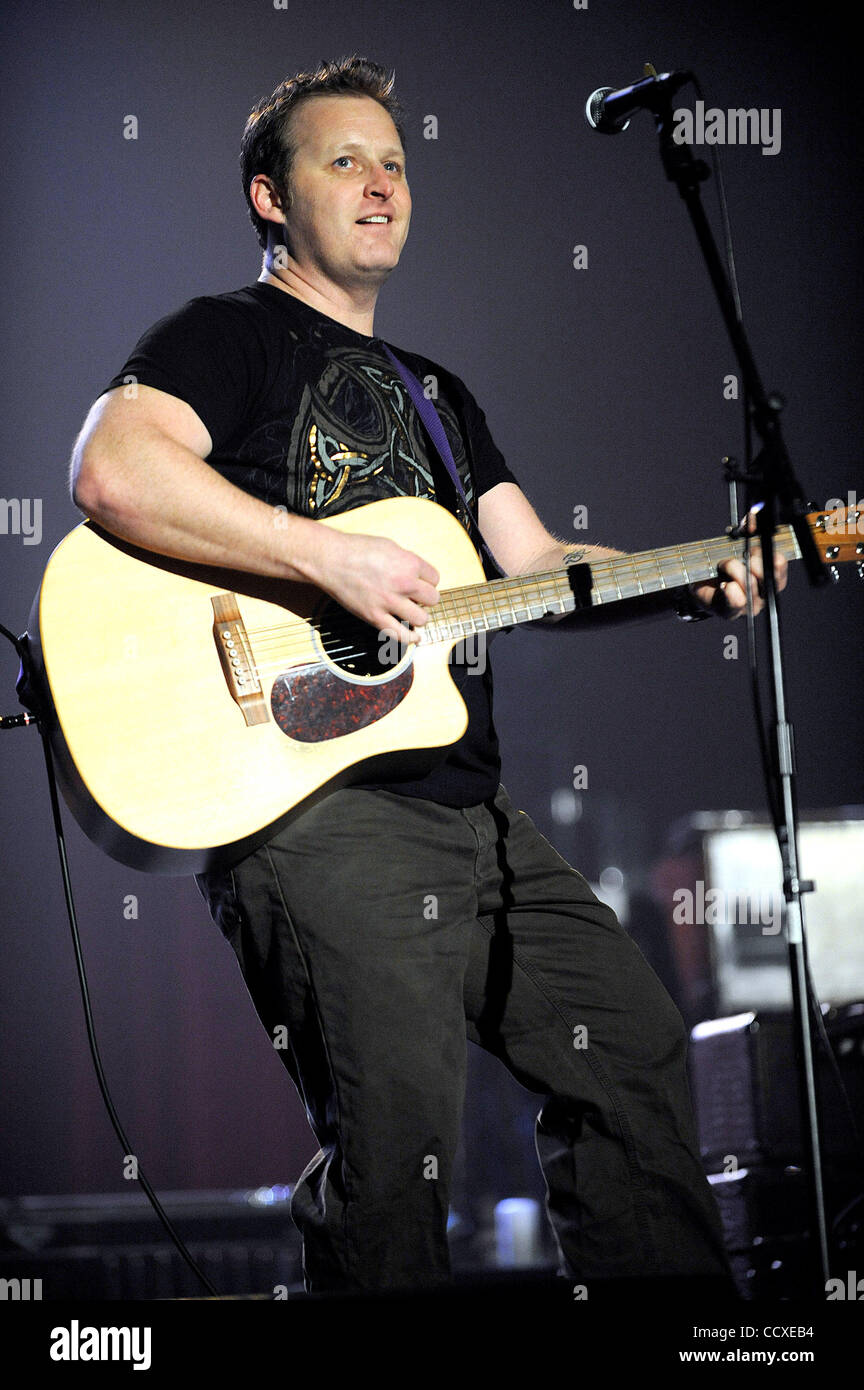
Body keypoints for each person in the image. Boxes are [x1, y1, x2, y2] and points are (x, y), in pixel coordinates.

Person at [70, 56, 786, 1295]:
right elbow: (114, 471)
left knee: (632, 1054)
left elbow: (536, 566)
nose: (382, 182)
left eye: (396, 161)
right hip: (319, 816)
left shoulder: (442, 394)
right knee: (400, 1160)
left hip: (474, 814)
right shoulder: (224, 337)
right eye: (343, 159)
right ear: (268, 198)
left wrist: (689, 576)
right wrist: (324, 555)